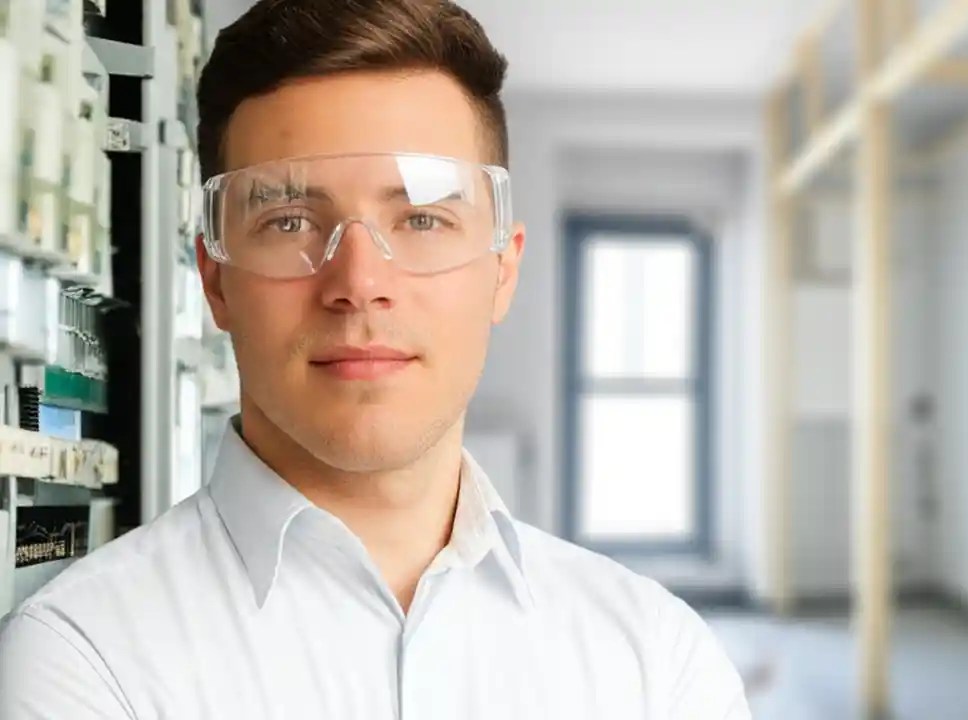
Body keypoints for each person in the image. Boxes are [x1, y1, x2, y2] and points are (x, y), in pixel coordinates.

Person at [0, 1, 751, 717]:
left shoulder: (659, 664)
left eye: (422, 218)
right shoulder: (85, 661)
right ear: (214, 278)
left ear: (503, 269)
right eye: (290, 219)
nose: (359, 284)